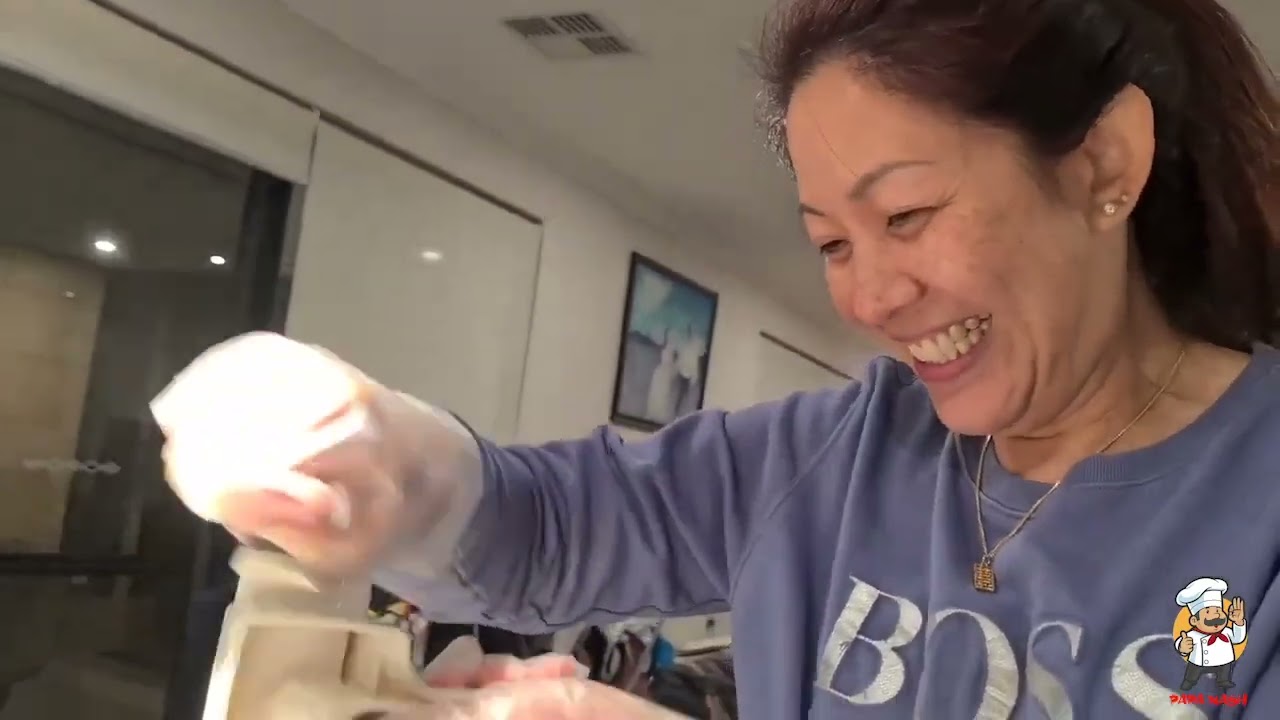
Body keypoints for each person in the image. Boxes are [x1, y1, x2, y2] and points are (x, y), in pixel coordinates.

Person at [151, 0, 1277, 716]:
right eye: (831, 243)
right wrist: (386, 466)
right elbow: (543, 528)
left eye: (907, 215)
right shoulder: (841, 451)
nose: (870, 298)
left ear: (1102, 167)